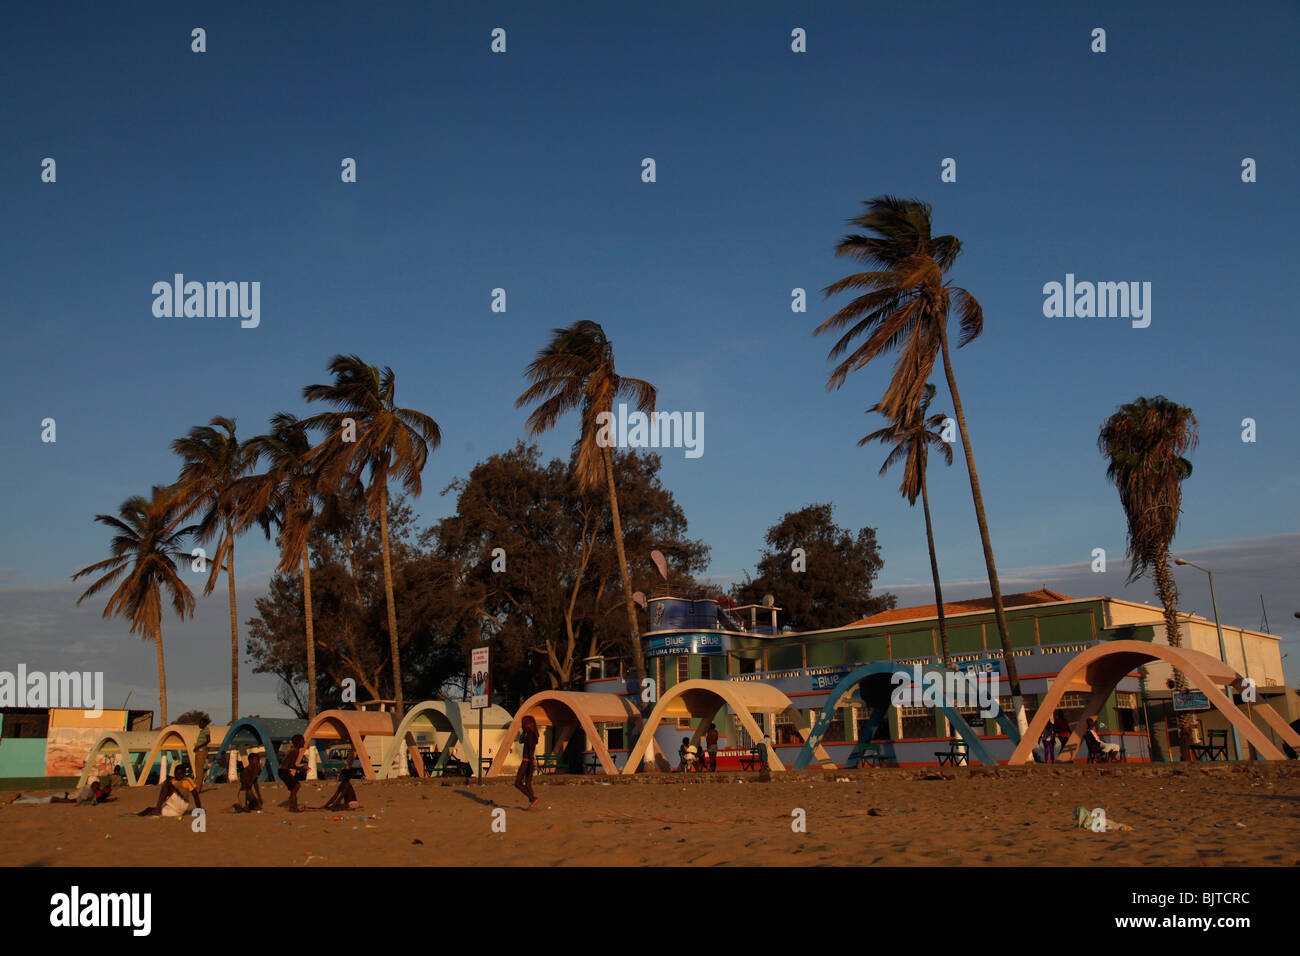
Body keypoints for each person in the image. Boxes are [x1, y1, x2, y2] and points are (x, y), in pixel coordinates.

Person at [514, 715, 539, 809]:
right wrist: (524, 732)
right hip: (529, 761)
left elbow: (530, 749)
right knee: (528, 782)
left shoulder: (531, 735)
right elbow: (520, 741)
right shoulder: (529, 734)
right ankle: (532, 802)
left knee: (518, 783)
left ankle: (532, 798)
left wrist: (532, 761)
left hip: (527, 761)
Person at [279, 734, 308, 812]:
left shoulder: (294, 750)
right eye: (302, 741)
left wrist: (300, 768)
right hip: (284, 771)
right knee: (296, 786)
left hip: (283, 771)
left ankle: (290, 805)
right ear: (298, 742)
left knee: (295, 787)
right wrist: (301, 768)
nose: (304, 742)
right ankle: (293, 807)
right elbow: (291, 765)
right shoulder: (295, 750)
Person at [192, 716, 211, 791]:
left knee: (199, 770)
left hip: (201, 750)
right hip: (198, 751)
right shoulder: (202, 731)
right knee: (197, 769)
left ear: (205, 724)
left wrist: (198, 746)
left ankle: (197, 788)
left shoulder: (206, 730)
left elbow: (208, 740)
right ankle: (196, 787)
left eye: (201, 723)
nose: (199, 724)